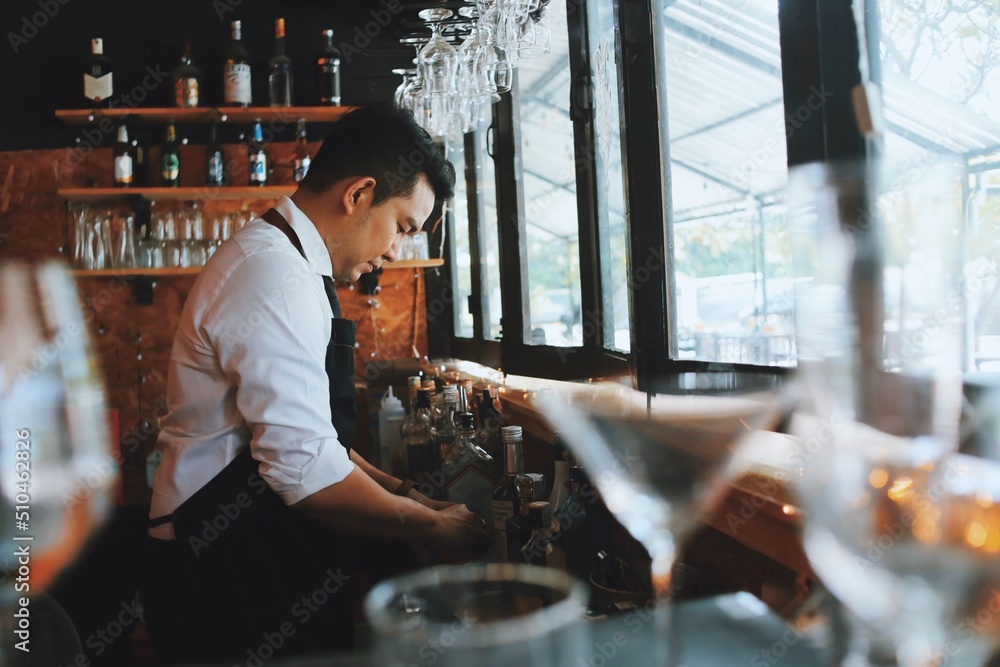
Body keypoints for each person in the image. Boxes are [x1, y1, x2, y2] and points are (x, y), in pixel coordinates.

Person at [143, 105, 492, 663]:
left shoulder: (289, 265)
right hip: (218, 566)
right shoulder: (273, 277)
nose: (396, 251)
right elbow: (304, 472)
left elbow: (315, 442)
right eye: (401, 226)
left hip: (249, 547)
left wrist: (408, 494)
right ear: (358, 194)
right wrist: (429, 525)